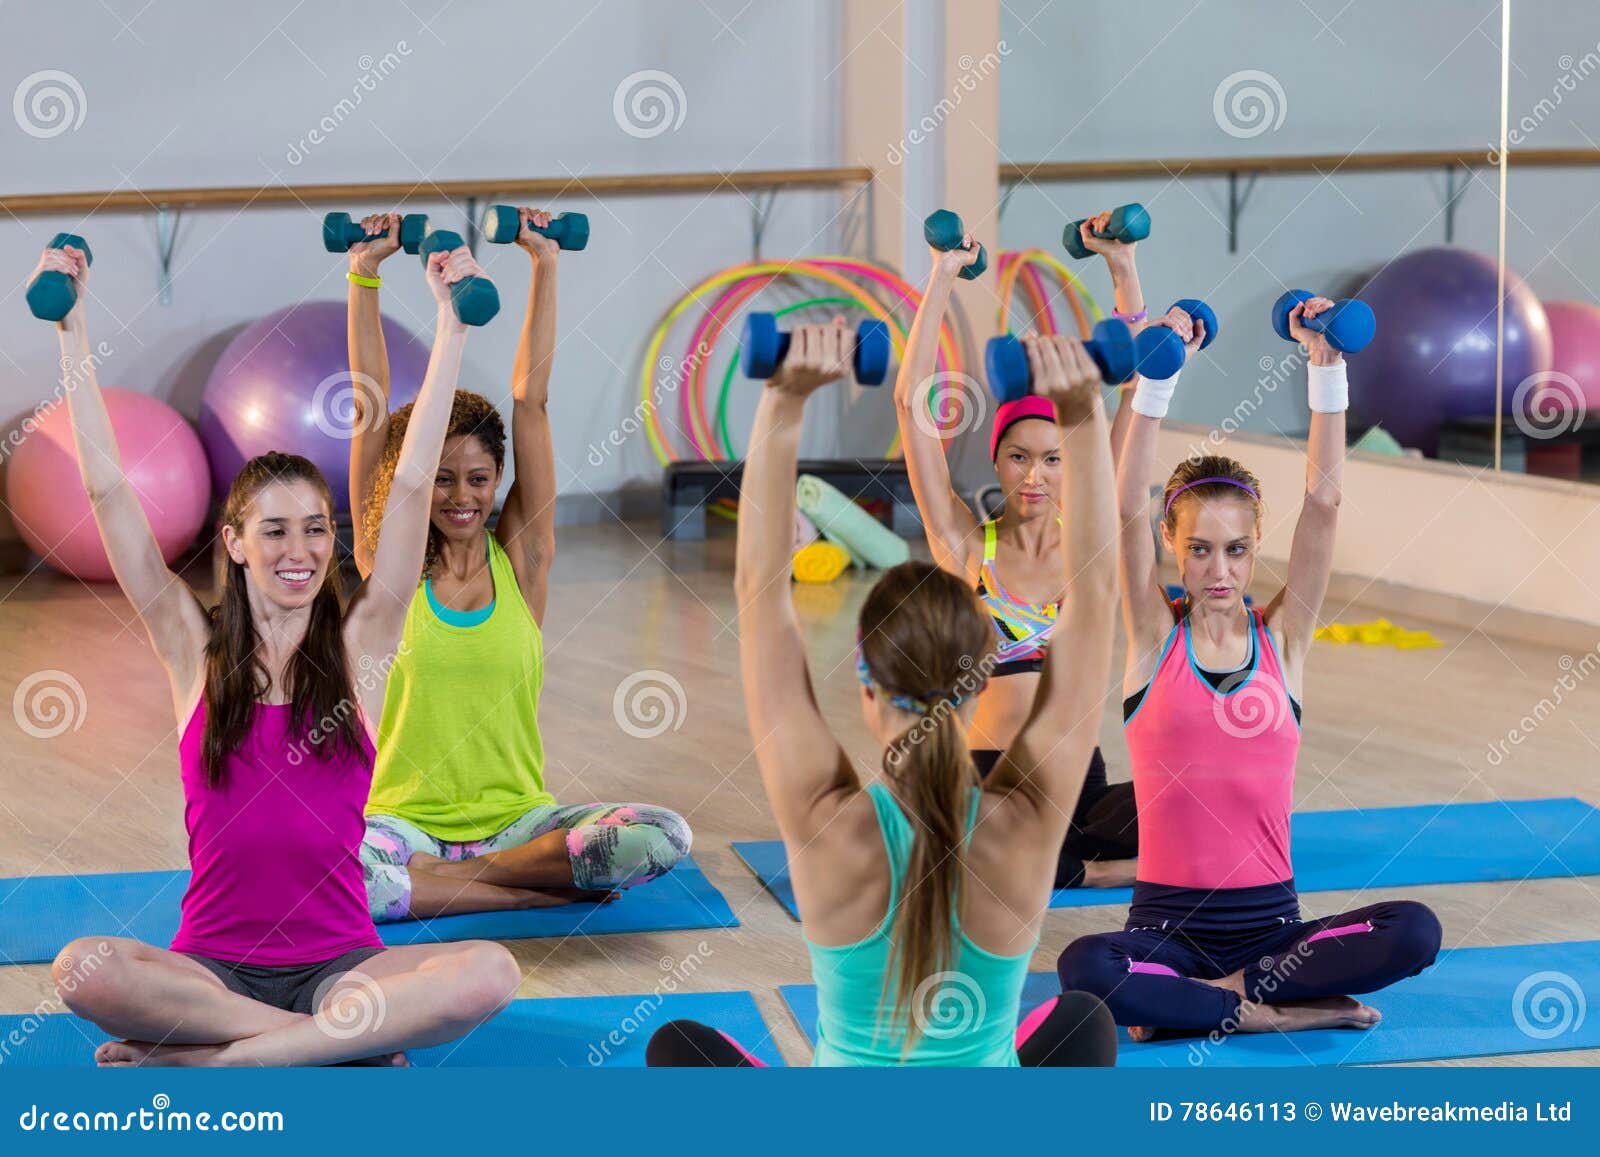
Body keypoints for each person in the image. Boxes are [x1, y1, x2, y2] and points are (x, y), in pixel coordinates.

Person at [43, 238, 522, 1066]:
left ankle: (207, 1059)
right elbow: (108, 493)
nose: (298, 550)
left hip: (341, 968)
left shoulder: (360, 650)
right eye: (274, 530)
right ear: (233, 541)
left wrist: (451, 330)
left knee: (489, 972)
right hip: (209, 972)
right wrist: (71, 327)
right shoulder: (190, 647)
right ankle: (319, 1049)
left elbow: (409, 492)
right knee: (79, 966)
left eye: (314, 528)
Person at [649, 319, 1121, 1067]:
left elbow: (760, 591)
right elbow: (1096, 592)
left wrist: (785, 398)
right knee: (1082, 1022)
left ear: (867, 685)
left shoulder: (823, 820)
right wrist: (1084, 412)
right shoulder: (1027, 822)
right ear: (975, 683)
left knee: (680, 1046)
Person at [1056, 299, 1442, 1040]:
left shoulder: (1285, 642)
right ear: (1174, 546)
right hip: (1165, 928)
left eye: (1236, 549)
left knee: (1416, 929)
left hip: (1274, 935)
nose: (1219, 568)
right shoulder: (1151, 639)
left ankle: (1216, 999)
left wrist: (1327, 368)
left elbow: (1324, 502)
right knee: (1086, 965)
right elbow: (1124, 508)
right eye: (1199, 548)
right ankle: (1265, 1014)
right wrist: (1156, 383)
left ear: (1256, 545)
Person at [342, 211, 690, 921]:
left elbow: (531, 398)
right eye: (441, 479)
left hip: (518, 823)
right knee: (342, 870)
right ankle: (521, 891)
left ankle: (455, 883)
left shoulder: (524, 560)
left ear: (499, 477)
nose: (462, 496)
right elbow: (369, 411)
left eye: (478, 477)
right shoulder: (388, 563)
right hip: (399, 825)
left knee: (663, 836)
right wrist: (363, 272)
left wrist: (546, 262)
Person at [891, 213, 1146, 889]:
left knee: (1195, 803)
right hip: (990, 778)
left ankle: (1076, 865)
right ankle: (1100, 871)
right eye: (1019, 457)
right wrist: (944, 276)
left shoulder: (1092, 545)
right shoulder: (966, 545)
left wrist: (1120, 264)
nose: (1036, 475)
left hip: (1076, 781)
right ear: (997, 461)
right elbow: (911, 411)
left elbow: (1136, 391)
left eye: (1055, 459)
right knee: (961, 842)